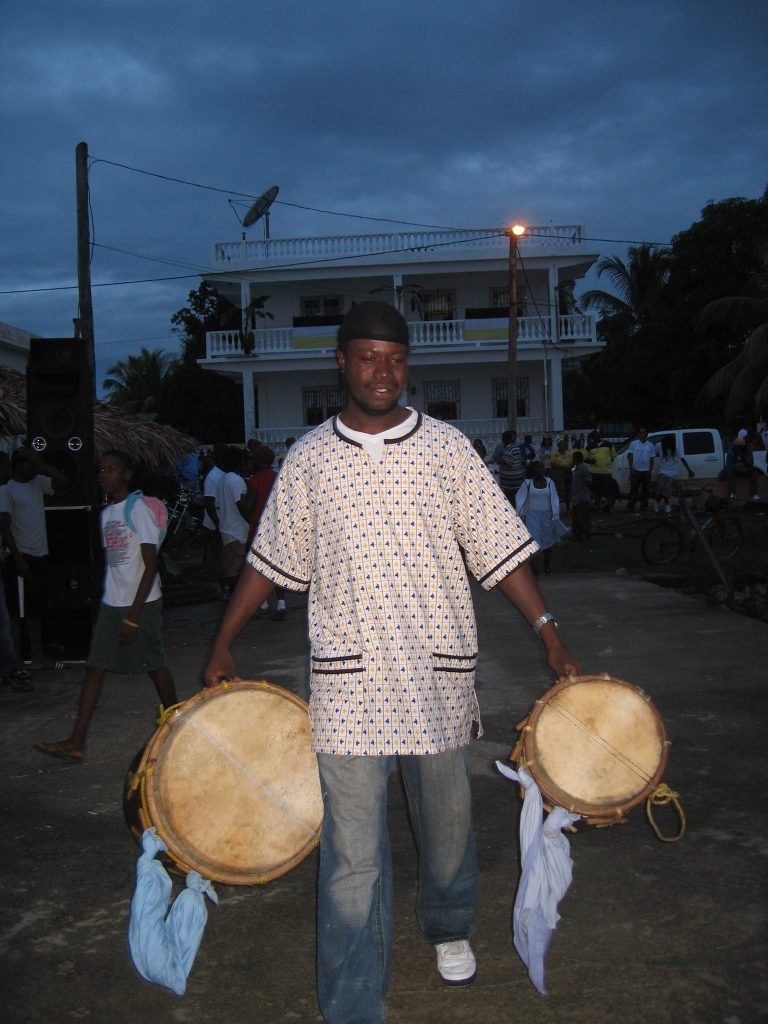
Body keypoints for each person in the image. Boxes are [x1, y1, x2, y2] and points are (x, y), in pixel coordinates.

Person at [203, 301, 579, 1024]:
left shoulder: (447, 449)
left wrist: (548, 630)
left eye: (397, 358)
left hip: (436, 675)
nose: (384, 371)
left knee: (446, 827)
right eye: (369, 357)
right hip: (348, 683)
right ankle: (351, 1003)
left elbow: (499, 552)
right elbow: (268, 559)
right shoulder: (310, 458)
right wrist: (224, 640)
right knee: (351, 860)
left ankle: (448, 924)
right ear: (340, 363)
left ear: (410, 365)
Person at [33, 451, 177, 763]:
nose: (104, 474)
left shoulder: (138, 510)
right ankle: (77, 741)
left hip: (142, 604)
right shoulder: (106, 514)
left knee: (154, 666)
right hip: (113, 603)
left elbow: (150, 567)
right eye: (101, 469)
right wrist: (112, 605)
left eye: (111, 470)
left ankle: (179, 725)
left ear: (127, 475)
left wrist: (134, 618)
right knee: (94, 668)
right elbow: (115, 565)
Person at [0, 445, 68, 670]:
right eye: (28, 464)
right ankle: (15, 659)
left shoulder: (38, 482)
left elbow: (62, 482)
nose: (32, 468)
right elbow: (5, 527)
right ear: (17, 465)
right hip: (20, 556)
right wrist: (17, 558)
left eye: (33, 464)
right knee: (17, 612)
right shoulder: (7, 490)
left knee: (35, 611)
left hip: (40, 554)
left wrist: (40, 462)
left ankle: (37, 656)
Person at [245, 445, 287, 620]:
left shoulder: (254, 481)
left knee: (258, 568)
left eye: (254, 460)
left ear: (261, 461)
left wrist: (241, 504)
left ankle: (261, 604)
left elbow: (249, 506)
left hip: (258, 530)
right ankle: (281, 603)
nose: (252, 463)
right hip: (276, 528)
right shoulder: (278, 477)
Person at [515, 461, 567, 575]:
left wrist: (555, 514)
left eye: (542, 468)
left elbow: (554, 499)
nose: (541, 470)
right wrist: (521, 515)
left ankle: (547, 564)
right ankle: (534, 569)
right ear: (533, 470)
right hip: (532, 516)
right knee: (535, 542)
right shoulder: (527, 483)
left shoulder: (549, 483)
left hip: (547, 516)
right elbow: (520, 500)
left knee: (548, 541)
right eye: (538, 468)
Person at [215, 447, 250, 596]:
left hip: (228, 528)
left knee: (231, 567)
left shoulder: (223, 479)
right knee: (236, 568)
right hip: (237, 531)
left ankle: (233, 596)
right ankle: (237, 598)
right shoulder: (235, 480)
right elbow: (241, 506)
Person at [654, 435, 694, 513]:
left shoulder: (675, 448)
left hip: (671, 472)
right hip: (662, 471)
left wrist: (689, 470)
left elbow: (682, 459)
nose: (668, 446)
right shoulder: (659, 446)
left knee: (667, 490)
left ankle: (666, 505)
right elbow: (652, 454)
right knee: (660, 488)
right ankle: (657, 502)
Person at [721, 432, 760, 503]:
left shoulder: (747, 451)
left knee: (753, 470)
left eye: (740, 447)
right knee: (729, 471)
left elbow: (751, 463)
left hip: (745, 470)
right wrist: (738, 467)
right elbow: (729, 464)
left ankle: (753, 494)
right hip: (735, 471)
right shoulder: (731, 452)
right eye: (737, 447)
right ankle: (732, 493)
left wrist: (744, 458)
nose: (738, 449)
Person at [626, 427, 655, 513]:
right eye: (640, 432)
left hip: (646, 471)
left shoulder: (650, 445)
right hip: (636, 470)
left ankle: (644, 506)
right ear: (638, 434)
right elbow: (630, 456)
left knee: (645, 490)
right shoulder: (633, 444)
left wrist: (650, 470)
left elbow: (652, 459)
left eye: (644, 432)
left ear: (647, 434)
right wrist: (631, 469)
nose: (642, 434)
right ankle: (631, 507)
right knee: (633, 490)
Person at [570, 451, 593, 541]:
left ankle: (587, 536)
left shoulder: (583, 468)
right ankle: (578, 536)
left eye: (573, 458)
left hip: (582, 498)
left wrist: (589, 493)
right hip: (576, 498)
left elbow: (589, 482)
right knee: (576, 520)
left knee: (583, 519)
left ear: (577, 458)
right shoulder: (576, 468)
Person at [498, 430, 526, 502]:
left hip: (510, 483)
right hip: (517, 480)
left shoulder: (509, 448)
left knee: (510, 502)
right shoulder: (516, 448)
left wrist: (499, 460)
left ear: (505, 439)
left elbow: (508, 463)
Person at [549, 437, 573, 512]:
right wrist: (562, 467)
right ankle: (557, 509)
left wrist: (569, 467)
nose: (563, 445)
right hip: (558, 475)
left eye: (564, 444)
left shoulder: (569, 453)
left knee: (568, 490)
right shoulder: (554, 454)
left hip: (568, 474)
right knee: (558, 492)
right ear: (558, 445)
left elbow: (572, 463)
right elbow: (552, 464)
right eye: (561, 444)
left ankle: (568, 508)